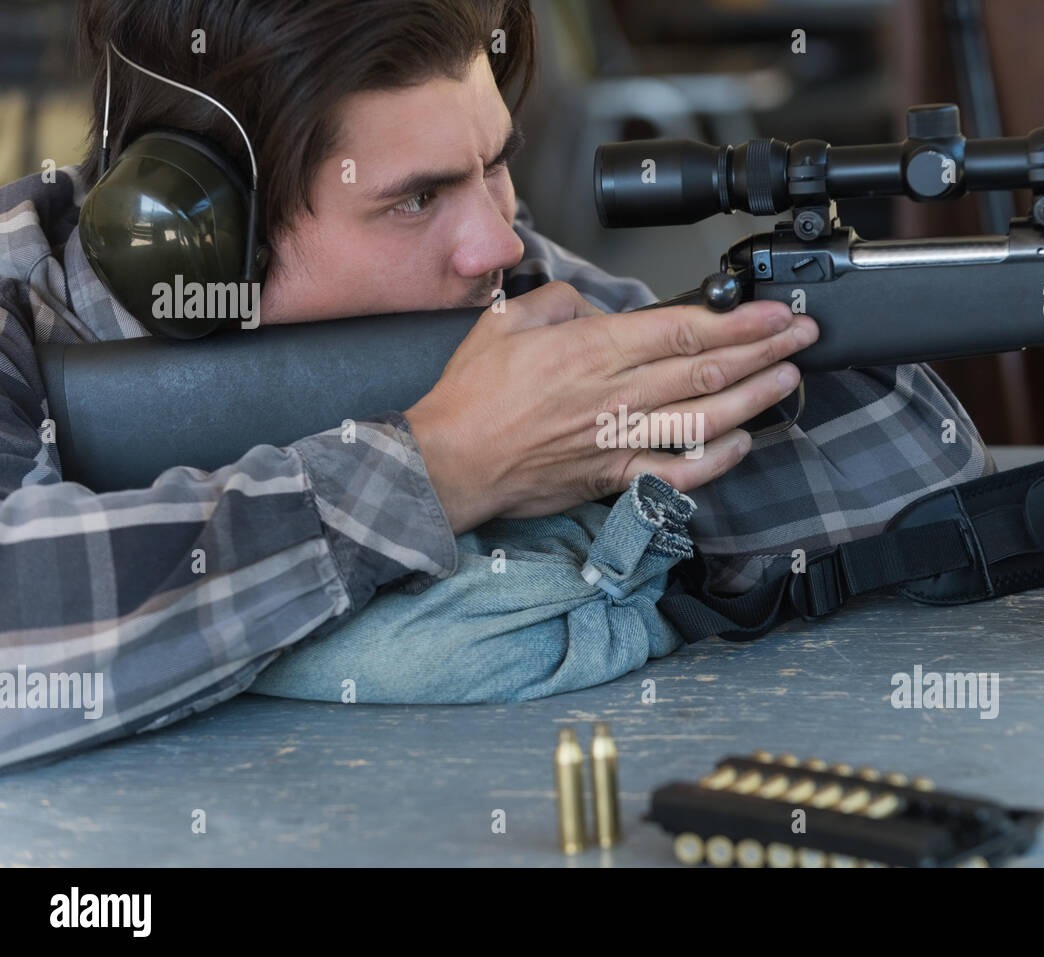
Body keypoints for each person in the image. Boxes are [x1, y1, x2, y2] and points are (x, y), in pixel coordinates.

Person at [0, 0, 989, 772]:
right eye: (416, 198)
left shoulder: (491, 279)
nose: (498, 240)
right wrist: (439, 469)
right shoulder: (17, 310)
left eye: (495, 166)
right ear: (199, 230)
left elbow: (912, 478)